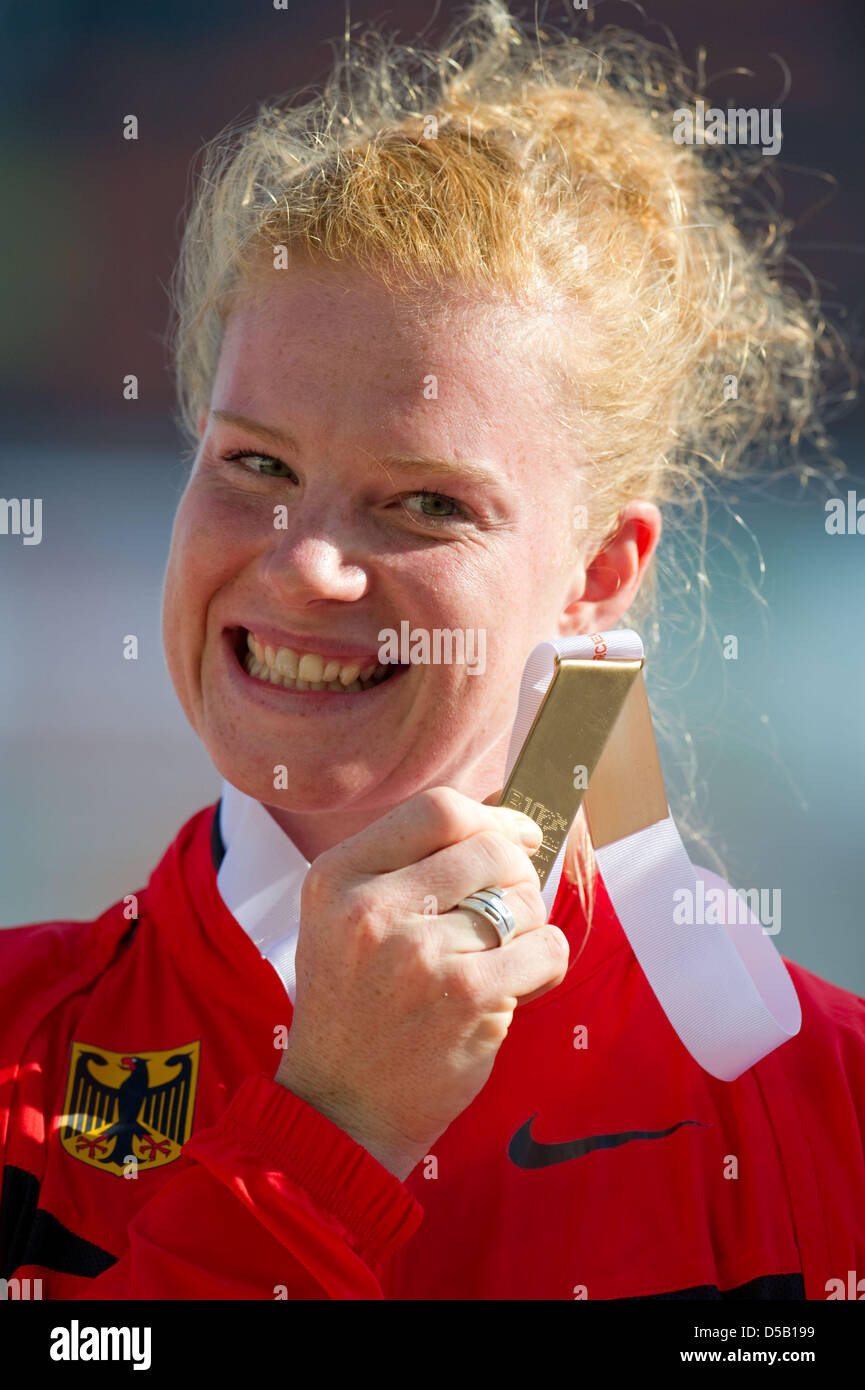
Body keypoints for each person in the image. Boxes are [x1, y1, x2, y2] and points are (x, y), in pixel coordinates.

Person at [2, 0, 863, 1301]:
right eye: (254, 463)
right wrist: (325, 1138)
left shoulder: (823, 1110)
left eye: (424, 503)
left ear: (596, 574)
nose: (300, 562)